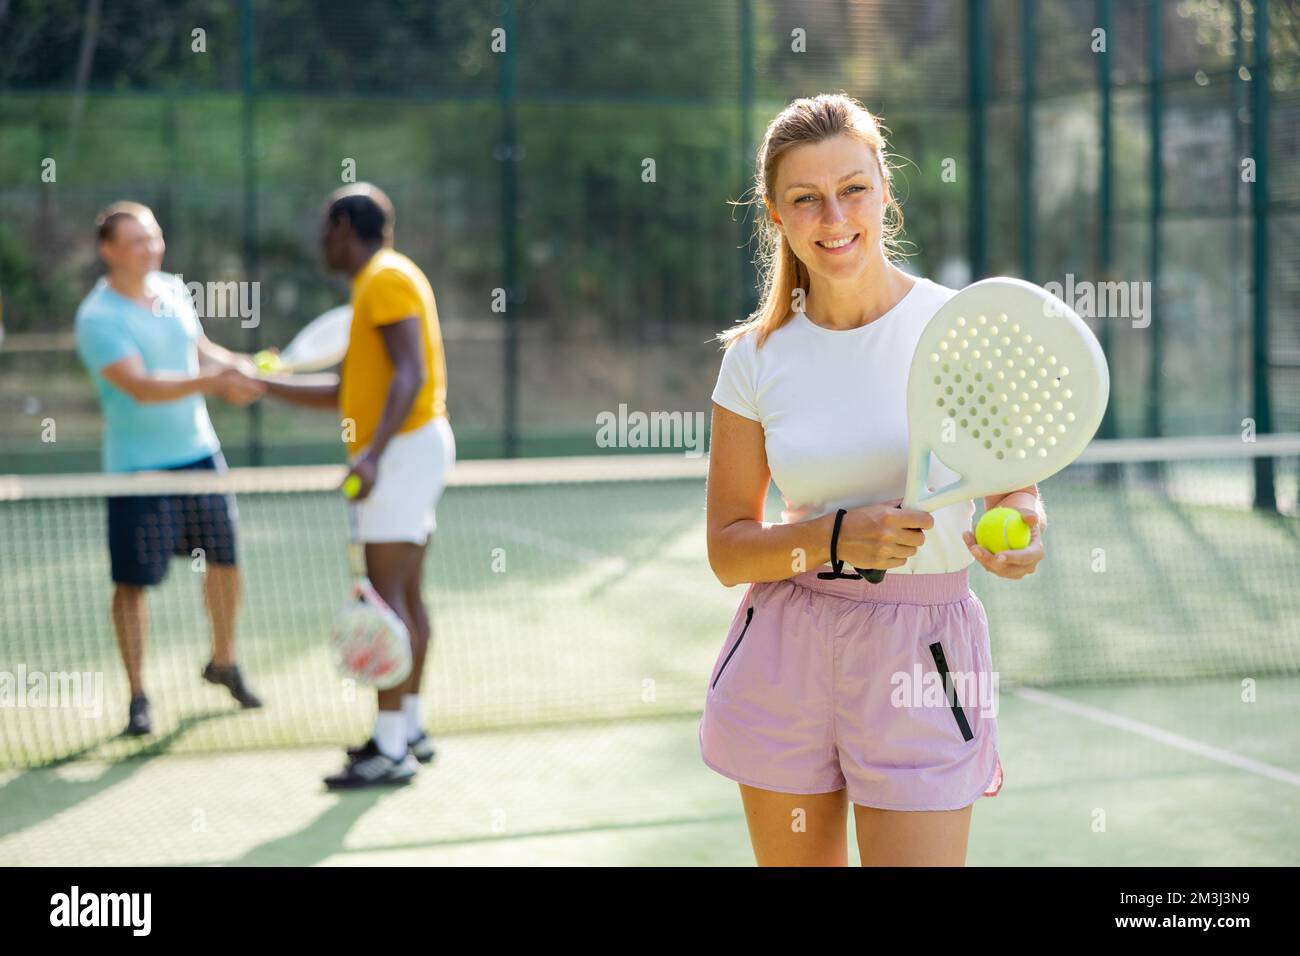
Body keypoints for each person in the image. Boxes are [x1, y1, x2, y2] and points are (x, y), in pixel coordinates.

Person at [700, 94, 1046, 866]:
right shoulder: (753, 360)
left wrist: (1023, 527)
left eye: (853, 188)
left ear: (885, 190)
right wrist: (832, 538)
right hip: (785, 652)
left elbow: (1011, 492)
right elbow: (729, 552)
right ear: (775, 215)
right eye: (805, 198)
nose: (834, 216)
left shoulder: (960, 330)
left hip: (926, 654)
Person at [247, 184, 454, 789]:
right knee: (406, 595)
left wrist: (370, 456)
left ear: (343, 226)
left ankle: (390, 749)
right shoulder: (381, 282)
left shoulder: (385, 280)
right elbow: (347, 387)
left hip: (403, 453)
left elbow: (411, 375)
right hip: (412, 450)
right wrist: (259, 382)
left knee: (384, 600)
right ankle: (408, 729)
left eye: (324, 228)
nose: (321, 241)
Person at [74, 201, 267, 737]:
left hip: (201, 455)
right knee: (134, 584)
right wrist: (214, 383)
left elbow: (199, 351)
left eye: (154, 237)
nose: (150, 249)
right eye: (137, 241)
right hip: (138, 469)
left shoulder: (174, 291)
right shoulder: (97, 318)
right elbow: (140, 386)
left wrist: (239, 368)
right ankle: (138, 695)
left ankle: (223, 661)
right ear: (107, 250)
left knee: (225, 564)